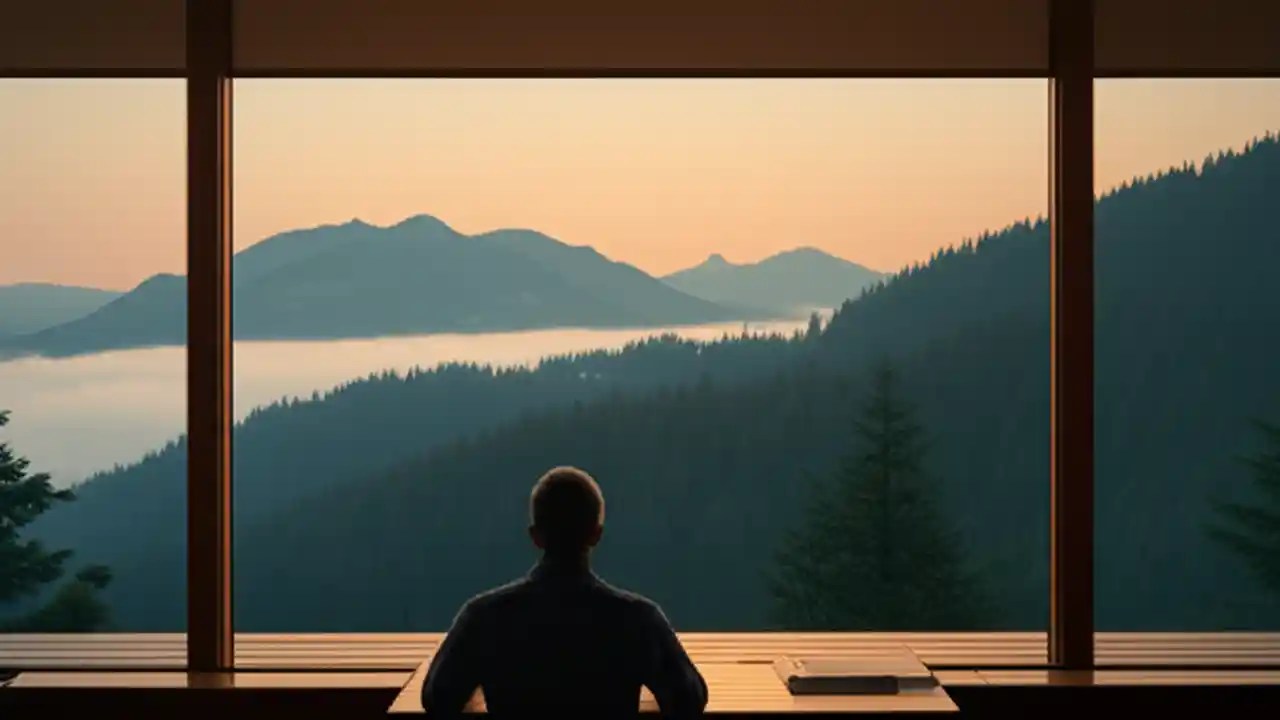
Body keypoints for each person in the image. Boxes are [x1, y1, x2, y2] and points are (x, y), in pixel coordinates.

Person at [420, 466, 708, 719]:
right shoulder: (639, 619)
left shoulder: (483, 617)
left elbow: (437, 697)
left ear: (535, 536)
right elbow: (689, 699)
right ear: (596, 534)